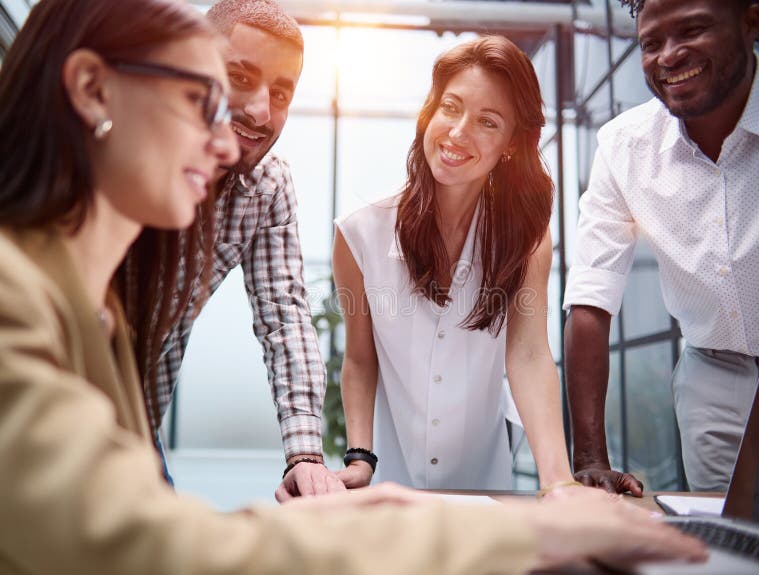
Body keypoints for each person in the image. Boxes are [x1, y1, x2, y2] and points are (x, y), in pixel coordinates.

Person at [0, 1, 710, 572]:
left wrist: (315, 461)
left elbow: (285, 323)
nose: (231, 139)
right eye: (201, 98)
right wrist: (521, 533)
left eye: (277, 93)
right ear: (93, 90)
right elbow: (162, 549)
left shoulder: (96, 309)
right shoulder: (17, 302)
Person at [563, 0, 759, 493]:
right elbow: (590, 299)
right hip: (711, 379)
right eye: (651, 43)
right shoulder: (624, 147)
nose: (669, 56)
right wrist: (589, 459)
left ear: (750, 19)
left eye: (692, 29)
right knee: (734, 551)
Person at [333, 36, 577, 492]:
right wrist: (360, 458)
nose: (459, 132)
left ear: (510, 144)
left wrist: (559, 480)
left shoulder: (526, 239)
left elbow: (528, 354)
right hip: (391, 486)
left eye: (488, 121)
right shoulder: (358, 234)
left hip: (489, 485)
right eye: (451, 107)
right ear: (430, 111)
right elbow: (361, 360)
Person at [134, 0, 344, 500]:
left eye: (281, 93)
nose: (259, 112)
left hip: (136, 413)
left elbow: (285, 317)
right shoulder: (126, 150)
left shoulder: (267, 185)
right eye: (240, 77)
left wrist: (306, 455)